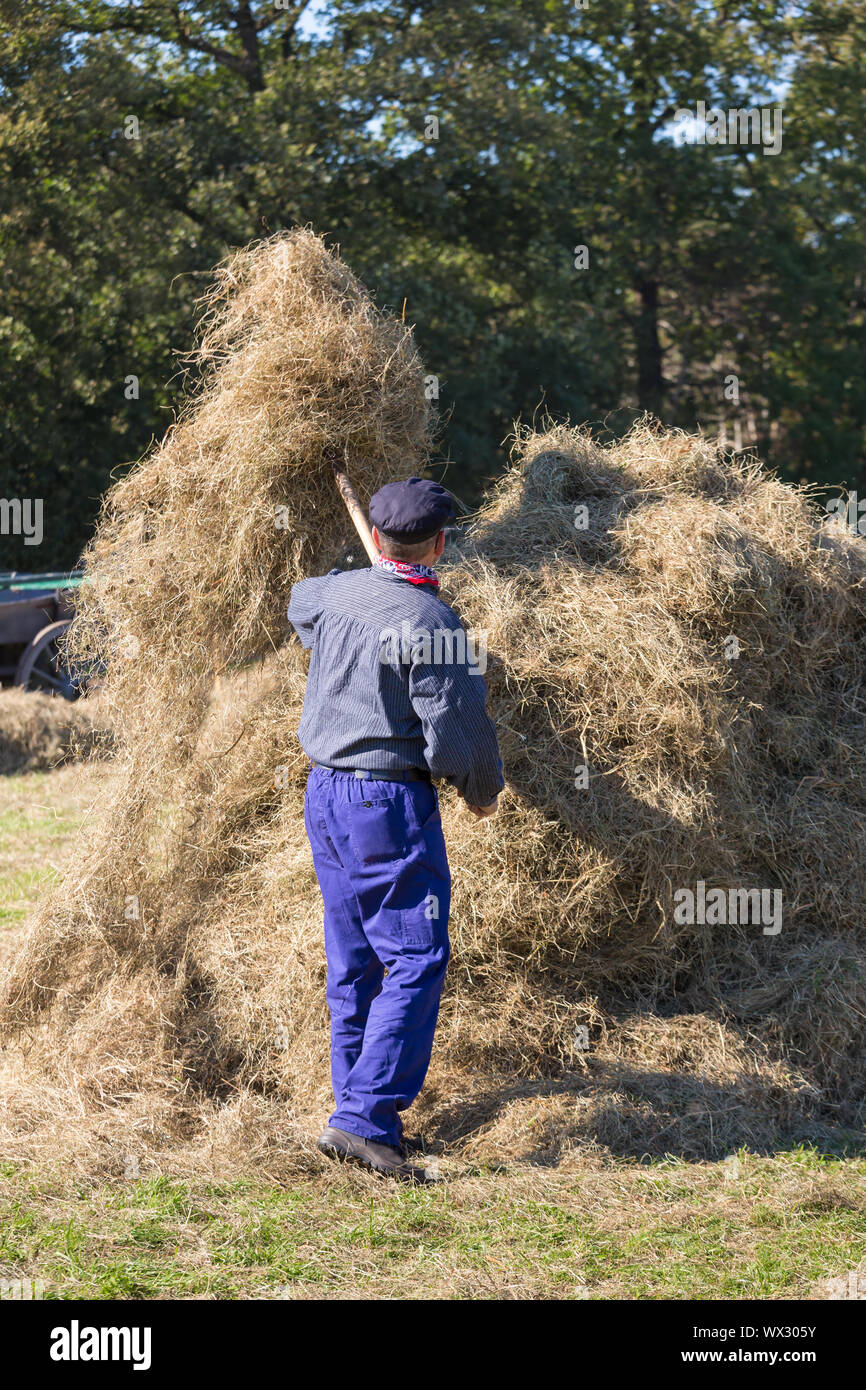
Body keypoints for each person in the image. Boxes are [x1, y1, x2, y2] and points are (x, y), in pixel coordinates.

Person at [287, 476, 504, 1182]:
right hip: (385, 804)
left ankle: (353, 1106)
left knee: (356, 958)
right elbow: (457, 730)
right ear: (440, 542)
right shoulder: (433, 626)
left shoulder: (334, 594)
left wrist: (363, 592)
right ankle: (365, 1118)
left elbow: (302, 602)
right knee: (414, 956)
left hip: (324, 793)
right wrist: (481, 790)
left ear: (377, 538)